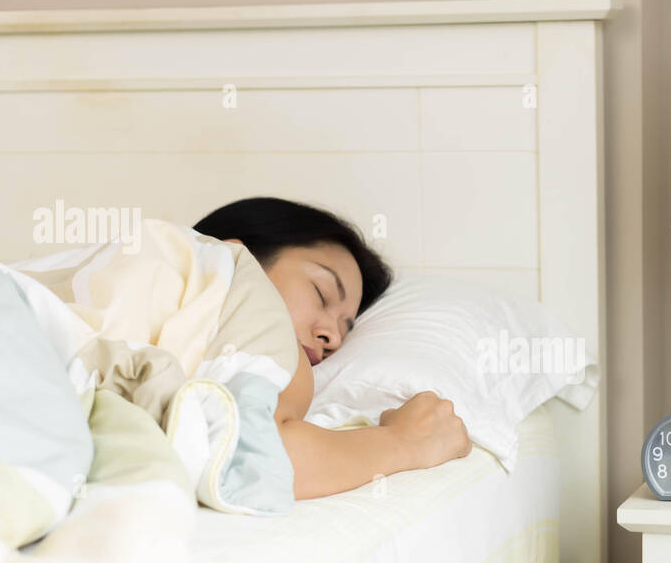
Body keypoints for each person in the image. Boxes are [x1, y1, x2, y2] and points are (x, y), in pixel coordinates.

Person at [194, 197, 471, 499]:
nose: (333, 339)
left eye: (343, 327)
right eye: (321, 293)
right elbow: (254, 460)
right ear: (235, 253)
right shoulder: (269, 332)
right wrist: (405, 441)